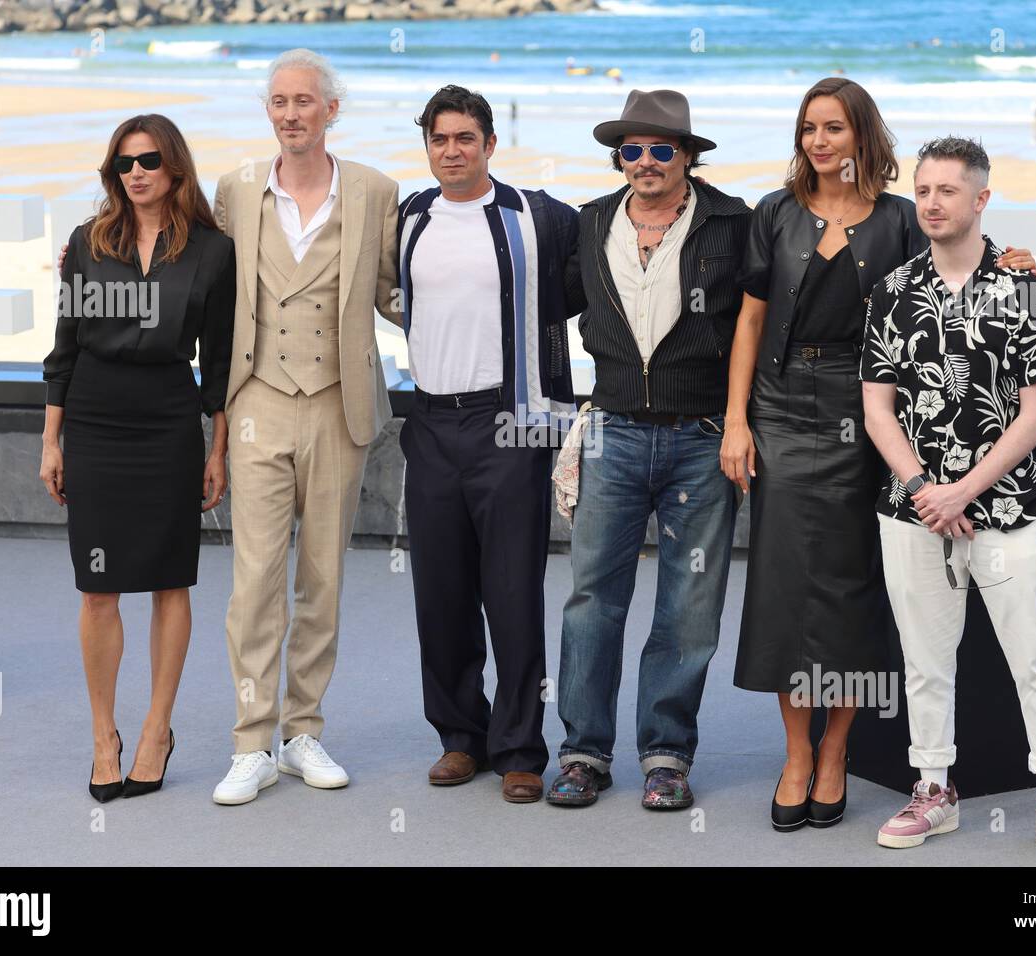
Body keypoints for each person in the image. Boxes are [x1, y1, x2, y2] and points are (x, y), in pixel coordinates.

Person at [721, 77, 1036, 831]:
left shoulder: (901, 218)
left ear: (862, 136)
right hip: (781, 411)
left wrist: (1019, 266)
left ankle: (837, 750)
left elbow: (965, 266)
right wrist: (736, 420)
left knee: (856, 588)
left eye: (834, 128)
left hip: (872, 414)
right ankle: (796, 753)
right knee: (782, 586)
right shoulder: (774, 213)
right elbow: (749, 320)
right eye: (809, 129)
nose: (819, 142)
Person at [861, 136, 1036, 865]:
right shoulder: (892, 292)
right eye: (923, 190)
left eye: (947, 192)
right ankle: (933, 788)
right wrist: (928, 491)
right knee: (925, 659)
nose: (931, 203)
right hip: (913, 512)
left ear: (980, 199)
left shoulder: (1026, 290)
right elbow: (877, 410)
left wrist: (964, 487)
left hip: (1012, 506)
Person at [546, 89, 748, 811]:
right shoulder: (592, 221)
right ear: (618, 159)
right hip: (616, 431)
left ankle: (666, 755)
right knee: (593, 598)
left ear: (687, 156)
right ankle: (583, 755)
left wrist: (740, 422)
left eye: (662, 149)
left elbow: (775, 309)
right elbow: (535, 295)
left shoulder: (734, 222)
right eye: (631, 150)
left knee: (689, 607)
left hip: (702, 438)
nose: (646, 162)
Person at [209, 49, 400, 805]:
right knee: (255, 581)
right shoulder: (235, 190)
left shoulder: (376, 192)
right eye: (280, 101)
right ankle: (251, 743)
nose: (291, 113)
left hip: (338, 401)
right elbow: (198, 278)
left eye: (305, 101)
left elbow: (397, 292)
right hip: (256, 400)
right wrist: (92, 254)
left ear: (332, 109)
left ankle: (303, 733)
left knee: (322, 575)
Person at [41, 113, 235, 802]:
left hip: (168, 422)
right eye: (124, 163)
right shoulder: (86, 243)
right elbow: (62, 349)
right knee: (98, 590)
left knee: (168, 582)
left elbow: (217, 365)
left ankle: (157, 728)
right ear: (113, 173)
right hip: (94, 420)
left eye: (149, 159)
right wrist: (50, 440)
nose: (137, 172)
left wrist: (218, 451)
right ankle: (104, 736)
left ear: (174, 166)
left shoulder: (213, 252)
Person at [395, 85, 581, 804]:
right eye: (440, 139)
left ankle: (519, 749)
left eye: (465, 138)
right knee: (438, 594)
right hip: (432, 423)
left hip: (512, 423)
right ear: (429, 147)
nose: (452, 151)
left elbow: (608, 251)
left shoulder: (537, 216)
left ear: (490, 144)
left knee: (512, 593)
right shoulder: (412, 216)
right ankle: (459, 738)